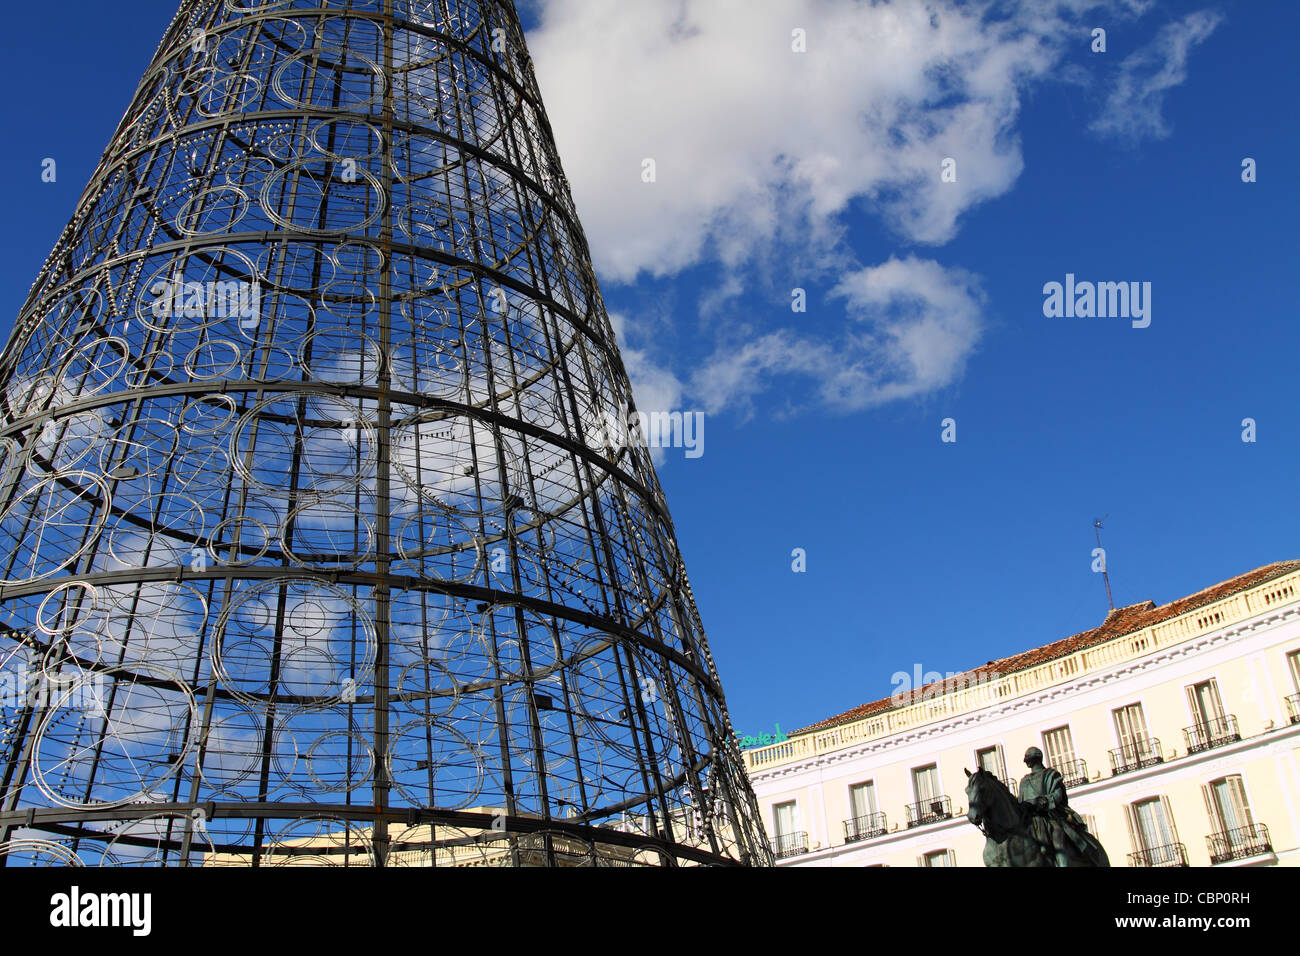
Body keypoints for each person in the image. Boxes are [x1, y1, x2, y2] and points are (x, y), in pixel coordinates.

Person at [1018, 746, 1109, 866]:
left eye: (1030, 759)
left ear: (1037, 759)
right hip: (1031, 821)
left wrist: (1043, 801)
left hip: (1051, 817)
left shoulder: (1051, 775)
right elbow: (1021, 802)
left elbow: (1058, 795)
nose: (1028, 762)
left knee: (1057, 836)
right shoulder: (1024, 781)